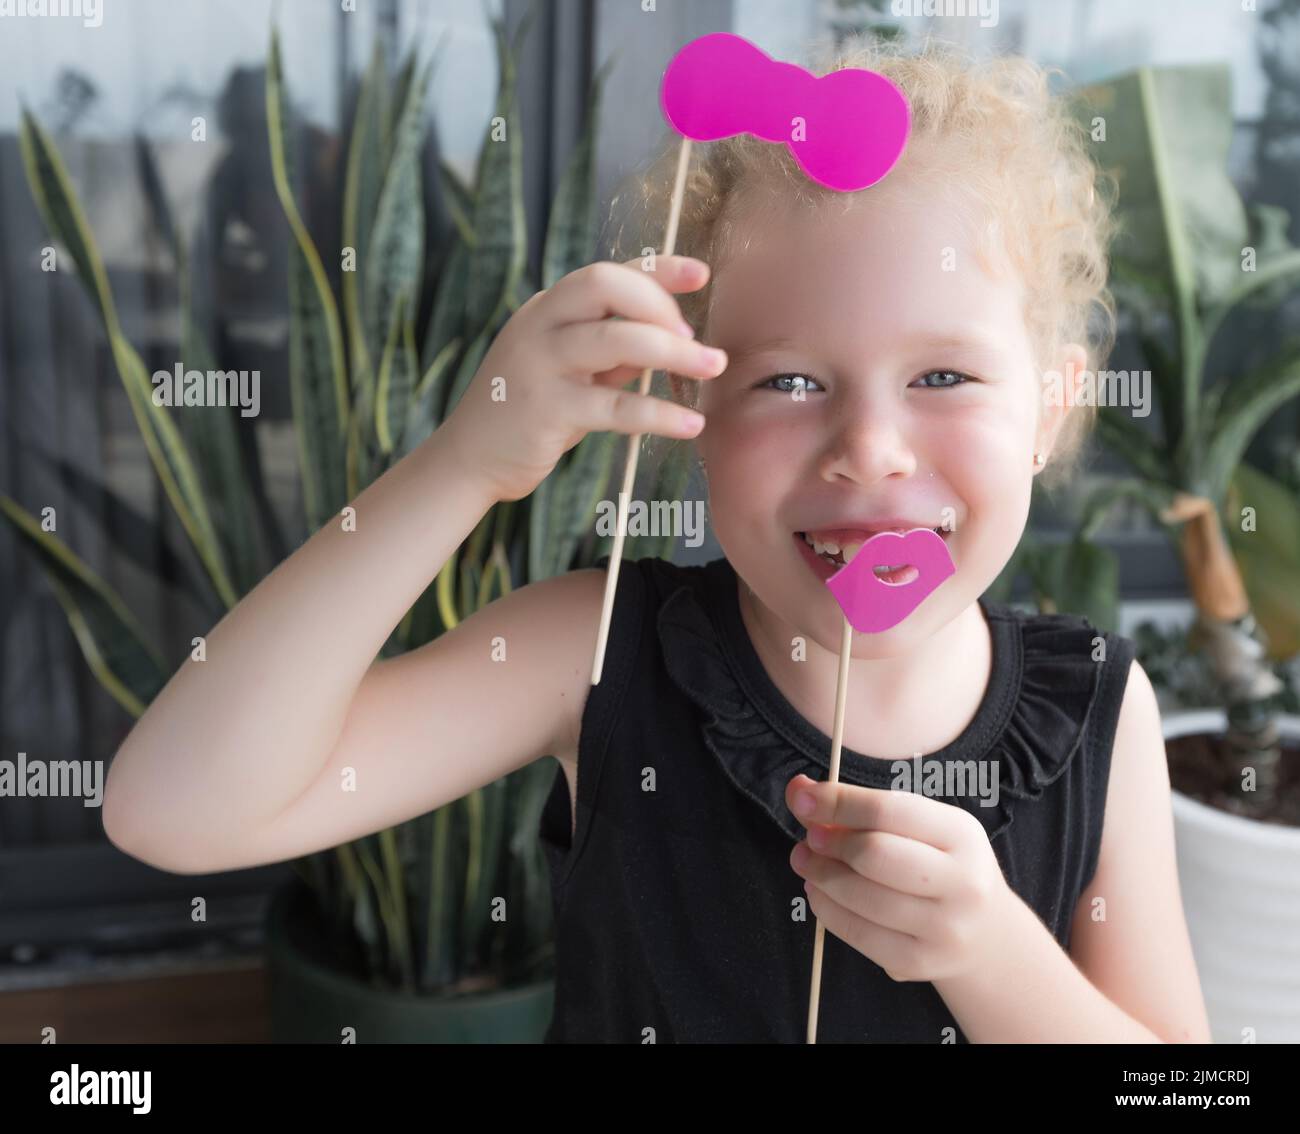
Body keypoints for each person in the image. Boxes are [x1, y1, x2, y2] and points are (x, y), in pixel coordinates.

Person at [103, 34, 1211, 1043]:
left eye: (942, 376)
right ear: (689, 407)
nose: (868, 449)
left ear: (1053, 407)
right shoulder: (591, 653)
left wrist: (996, 961)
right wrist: (465, 466)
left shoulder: (1102, 713)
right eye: (786, 378)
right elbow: (176, 810)